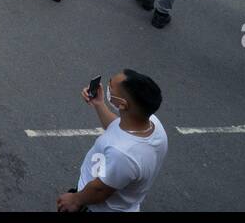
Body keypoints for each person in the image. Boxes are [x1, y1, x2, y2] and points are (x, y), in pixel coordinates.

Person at [57, 70, 167, 213]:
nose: (107, 87)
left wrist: (75, 199)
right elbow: (116, 127)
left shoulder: (123, 154)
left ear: (122, 104)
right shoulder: (152, 124)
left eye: (111, 87)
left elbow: (100, 189)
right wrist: (99, 104)